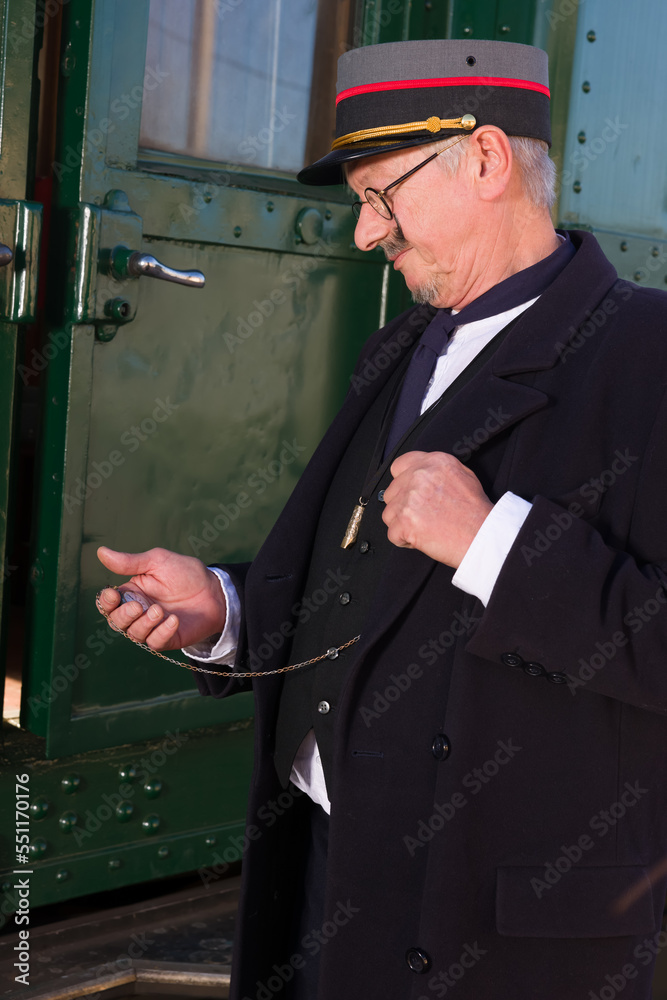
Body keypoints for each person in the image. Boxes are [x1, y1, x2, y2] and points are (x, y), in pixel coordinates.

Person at [96, 38, 667, 1000]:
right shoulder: (403, 346)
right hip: (330, 876)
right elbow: (361, 585)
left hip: (499, 928)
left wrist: (491, 542)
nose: (367, 235)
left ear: (484, 159)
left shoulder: (649, 353)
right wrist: (225, 612)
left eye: (381, 197)